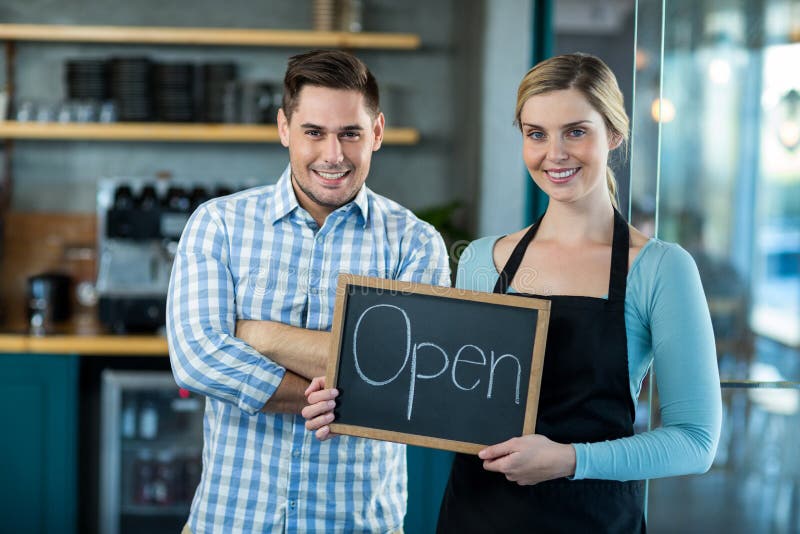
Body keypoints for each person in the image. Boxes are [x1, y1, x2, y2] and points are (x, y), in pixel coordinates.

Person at [303, 53, 722, 533]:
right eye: (536, 134)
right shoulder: (484, 261)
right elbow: (438, 394)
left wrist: (568, 459)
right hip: (473, 517)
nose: (555, 153)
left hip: (592, 521)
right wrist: (348, 398)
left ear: (615, 135)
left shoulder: (660, 268)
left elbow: (696, 441)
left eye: (576, 131)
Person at [167, 49, 450, 533]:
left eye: (351, 134)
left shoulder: (415, 244)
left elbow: (414, 382)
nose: (333, 155)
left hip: (357, 523)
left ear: (377, 132)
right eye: (314, 133)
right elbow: (197, 357)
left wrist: (261, 336)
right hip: (234, 519)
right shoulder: (219, 225)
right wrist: (318, 396)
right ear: (284, 129)